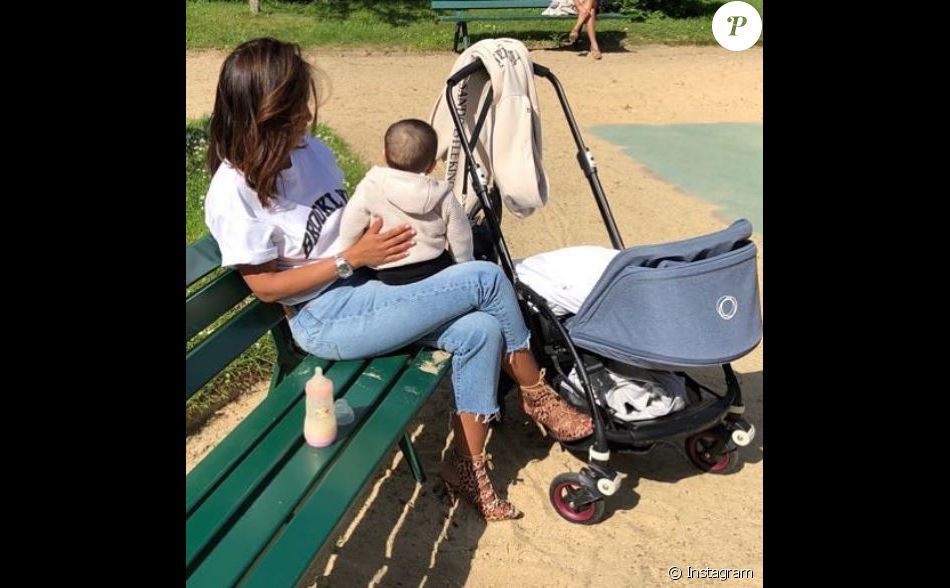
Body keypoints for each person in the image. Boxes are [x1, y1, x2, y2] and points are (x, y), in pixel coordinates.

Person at [203, 38, 593, 522]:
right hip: (322, 317)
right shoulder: (233, 191)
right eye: (293, 109)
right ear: (263, 113)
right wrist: (351, 258)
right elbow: (265, 288)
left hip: (369, 288)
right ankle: (538, 396)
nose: (306, 116)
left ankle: (467, 468)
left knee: (482, 330)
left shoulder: (310, 152)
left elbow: (355, 213)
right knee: (486, 279)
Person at [338, 119, 473, 286]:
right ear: (432, 166)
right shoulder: (442, 194)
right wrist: (464, 263)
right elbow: (460, 234)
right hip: (434, 265)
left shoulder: (371, 185)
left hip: (386, 270)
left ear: (384, 154)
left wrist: (346, 252)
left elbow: (351, 223)